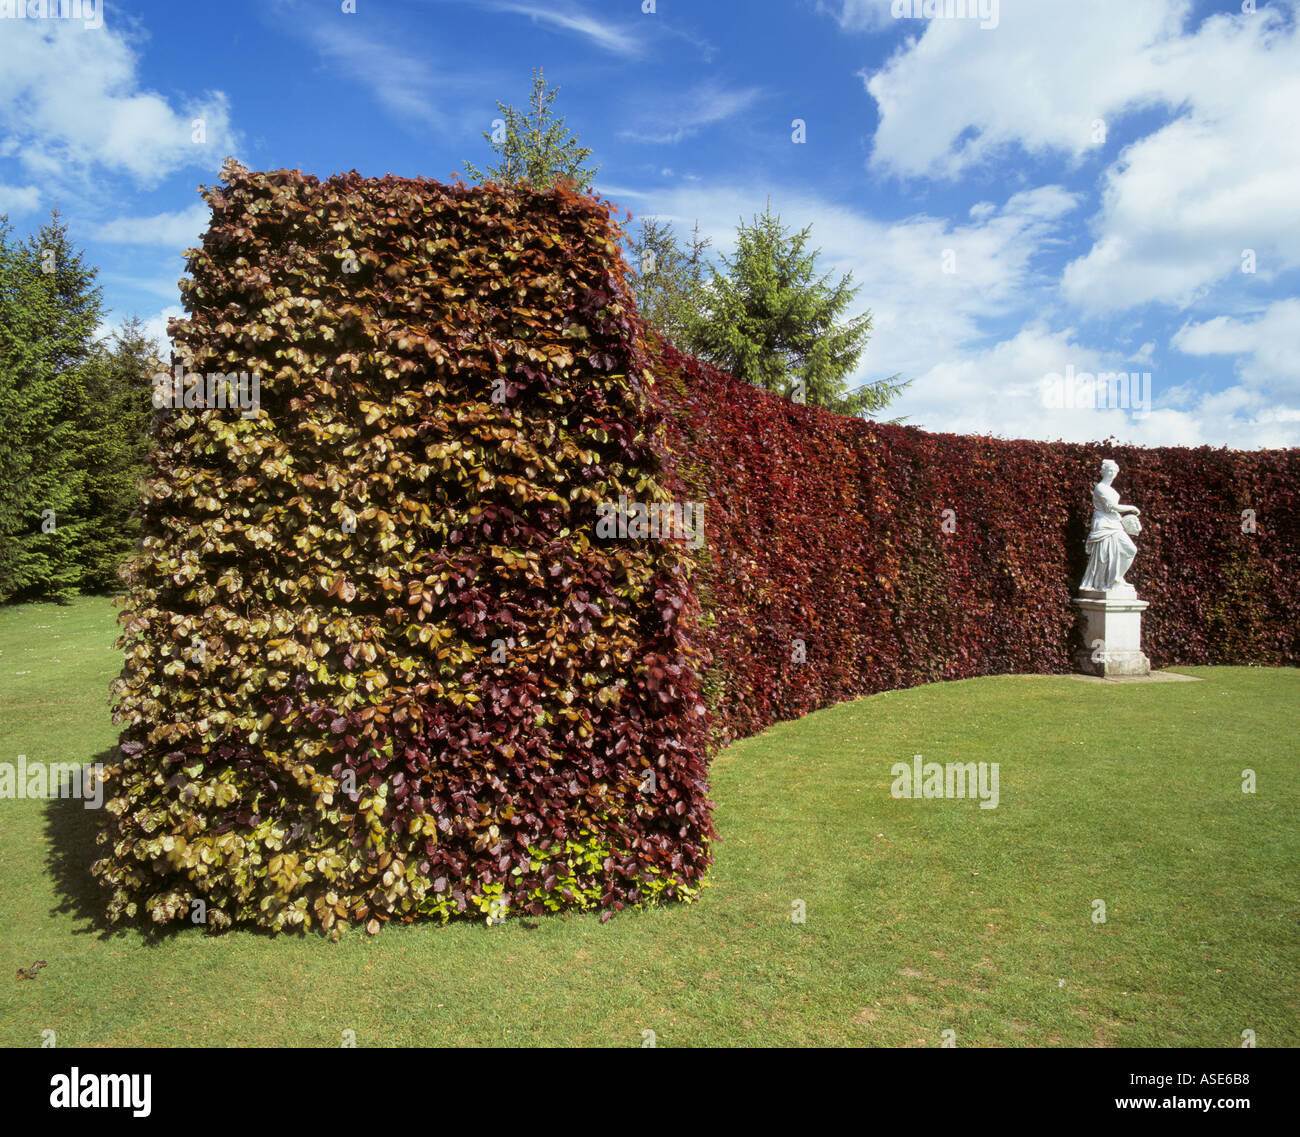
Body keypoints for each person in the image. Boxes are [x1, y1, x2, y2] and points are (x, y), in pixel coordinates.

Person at [1080, 459, 1141, 593]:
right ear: (1103, 472)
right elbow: (1111, 507)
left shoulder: (1110, 489)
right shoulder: (1100, 488)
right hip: (1103, 523)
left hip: (1114, 523)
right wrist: (1132, 507)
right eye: (1109, 470)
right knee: (1105, 555)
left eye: (1114, 471)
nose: (1112, 473)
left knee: (1131, 550)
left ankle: (1117, 579)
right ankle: (1105, 582)